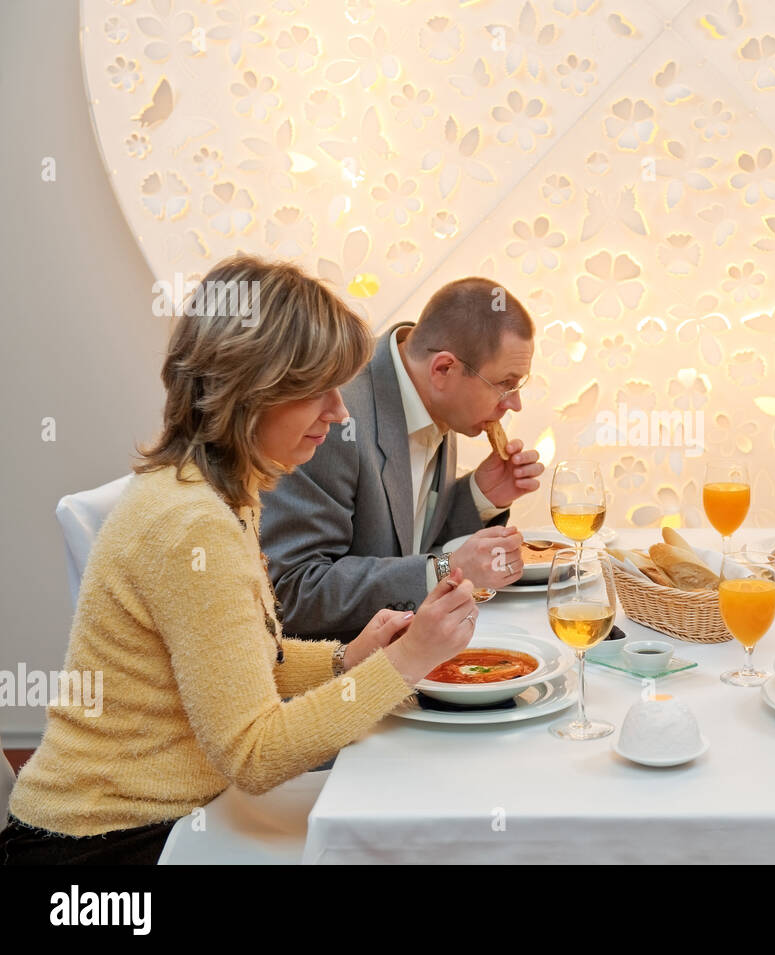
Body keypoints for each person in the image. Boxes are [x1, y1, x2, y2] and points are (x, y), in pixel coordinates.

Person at [0, 257, 479, 865]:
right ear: (252, 388)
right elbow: (253, 755)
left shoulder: (214, 492)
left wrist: (347, 657)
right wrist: (408, 662)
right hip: (99, 849)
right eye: (320, 390)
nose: (339, 412)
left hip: (170, 817)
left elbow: (238, 666)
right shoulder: (193, 523)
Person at [260, 278, 543, 644]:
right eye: (506, 384)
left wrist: (480, 495)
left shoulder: (441, 399)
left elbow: (403, 546)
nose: (513, 404)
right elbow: (293, 590)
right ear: (443, 369)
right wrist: (447, 568)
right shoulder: (334, 419)